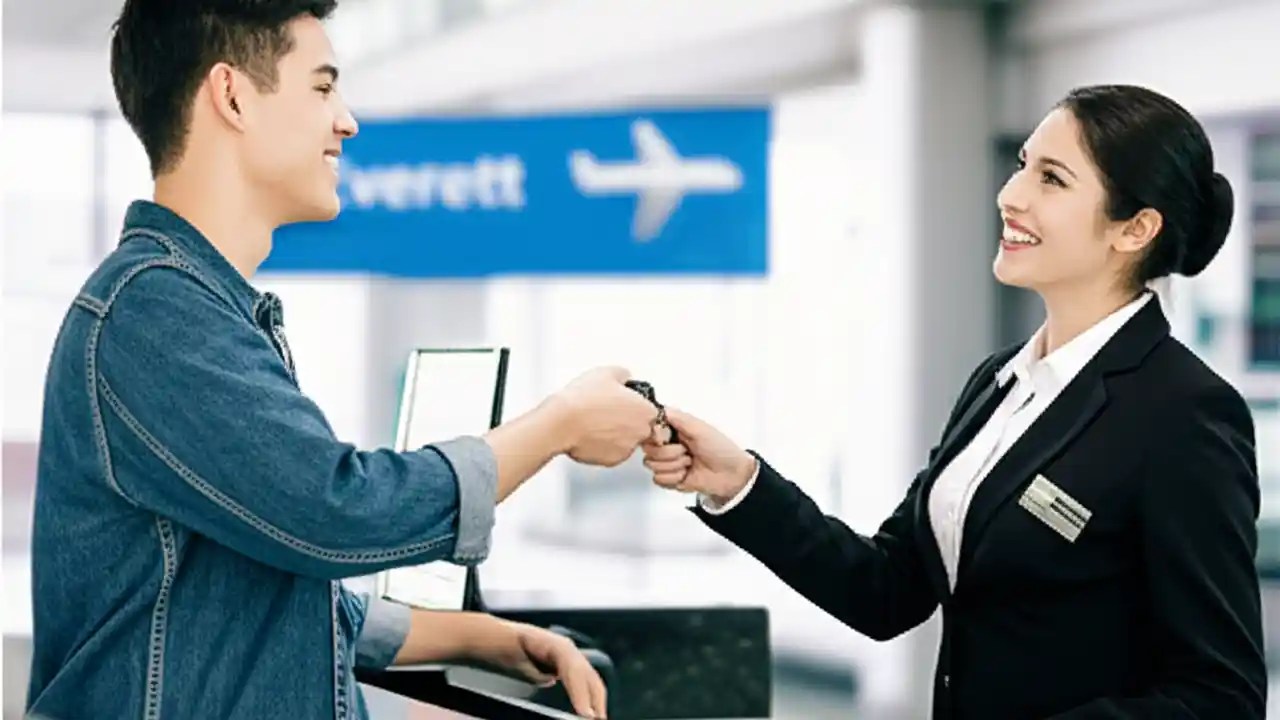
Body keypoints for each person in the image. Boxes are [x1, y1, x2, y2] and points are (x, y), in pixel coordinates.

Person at [25, 1, 659, 718]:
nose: (347, 121)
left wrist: (481, 638)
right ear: (233, 95)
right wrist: (559, 426)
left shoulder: (198, 307)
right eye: (323, 88)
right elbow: (336, 514)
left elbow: (261, 593)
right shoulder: (155, 313)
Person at [643, 84, 1267, 719]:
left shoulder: (1183, 413)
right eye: (1023, 164)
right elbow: (887, 590)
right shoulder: (1000, 383)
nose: (1011, 194)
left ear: (1134, 229)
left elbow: (1221, 697)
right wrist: (741, 485)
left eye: (1051, 179)